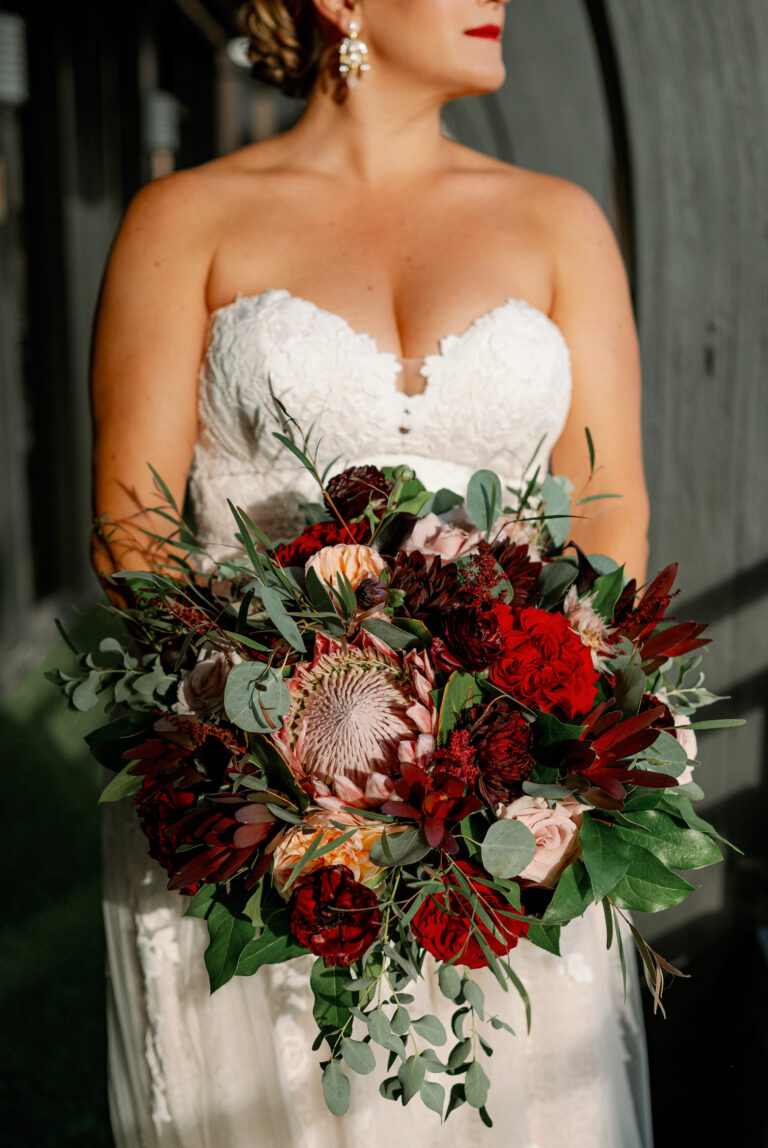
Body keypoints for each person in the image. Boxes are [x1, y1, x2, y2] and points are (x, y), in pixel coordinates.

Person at [90, 2, 654, 1145]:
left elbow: (611, 511)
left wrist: (530, 742)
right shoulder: (187, 218)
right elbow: (131, 537)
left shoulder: (560, 222)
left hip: (506, 816)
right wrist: (282, 762)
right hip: (262, 812)